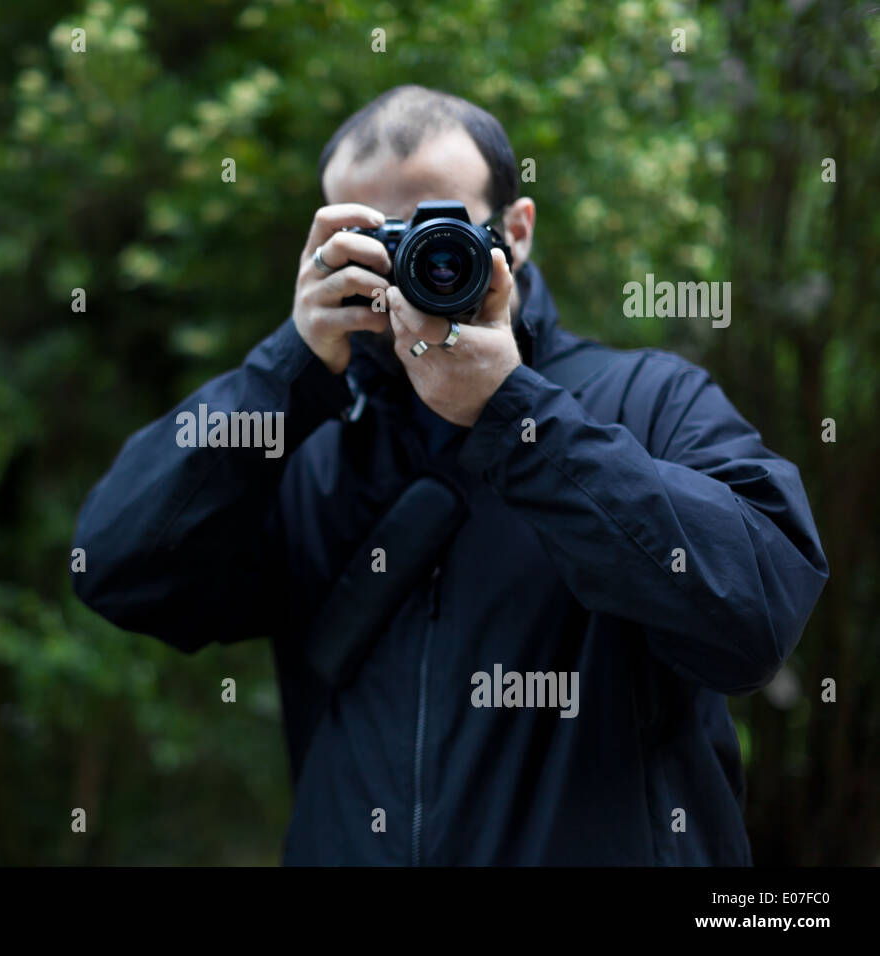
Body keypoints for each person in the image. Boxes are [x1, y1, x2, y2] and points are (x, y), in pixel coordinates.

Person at [71, 84, 829, 865]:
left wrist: (517, 416)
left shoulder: (648, 402)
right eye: (376, 238)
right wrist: (288, 370)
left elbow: (757, 617)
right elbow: (113, 569)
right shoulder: (308, 451)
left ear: (518, 231)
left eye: (440, 231)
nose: (412, 265)